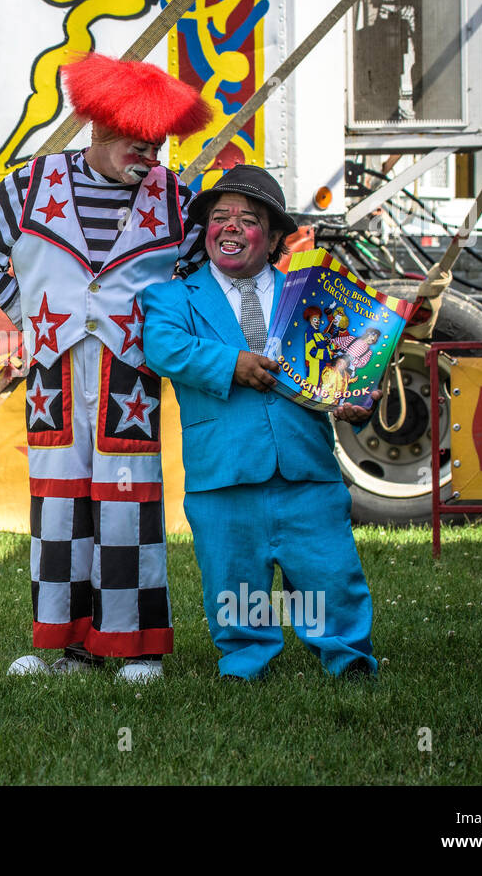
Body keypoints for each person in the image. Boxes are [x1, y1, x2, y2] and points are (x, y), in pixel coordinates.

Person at [0, 52, 212, 683]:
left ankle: (134, 645)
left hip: (131, 377)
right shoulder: (35, 183)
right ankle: (67, 647)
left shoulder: (177, 199)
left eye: (159, 143)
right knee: (58, 509)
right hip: (53, 376)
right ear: (98, 127)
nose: (150, 154)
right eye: (138, 141)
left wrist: (172, 327)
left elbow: (205, 274)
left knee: (129, 506)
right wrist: (16, 305)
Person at [139, 164, 381, 680]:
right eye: (219, 217)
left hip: (308, 474)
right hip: (223, 476)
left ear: (272, 239)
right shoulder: (173, 297)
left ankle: (349, 659)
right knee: (234, 583)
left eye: (247, 219)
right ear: (205, 232)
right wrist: (233, 364)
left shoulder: (315, 294)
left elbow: (345, 371)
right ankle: (246, 663)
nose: (229, 226)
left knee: (330, 577)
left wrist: (356, 401)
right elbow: (163, 347)